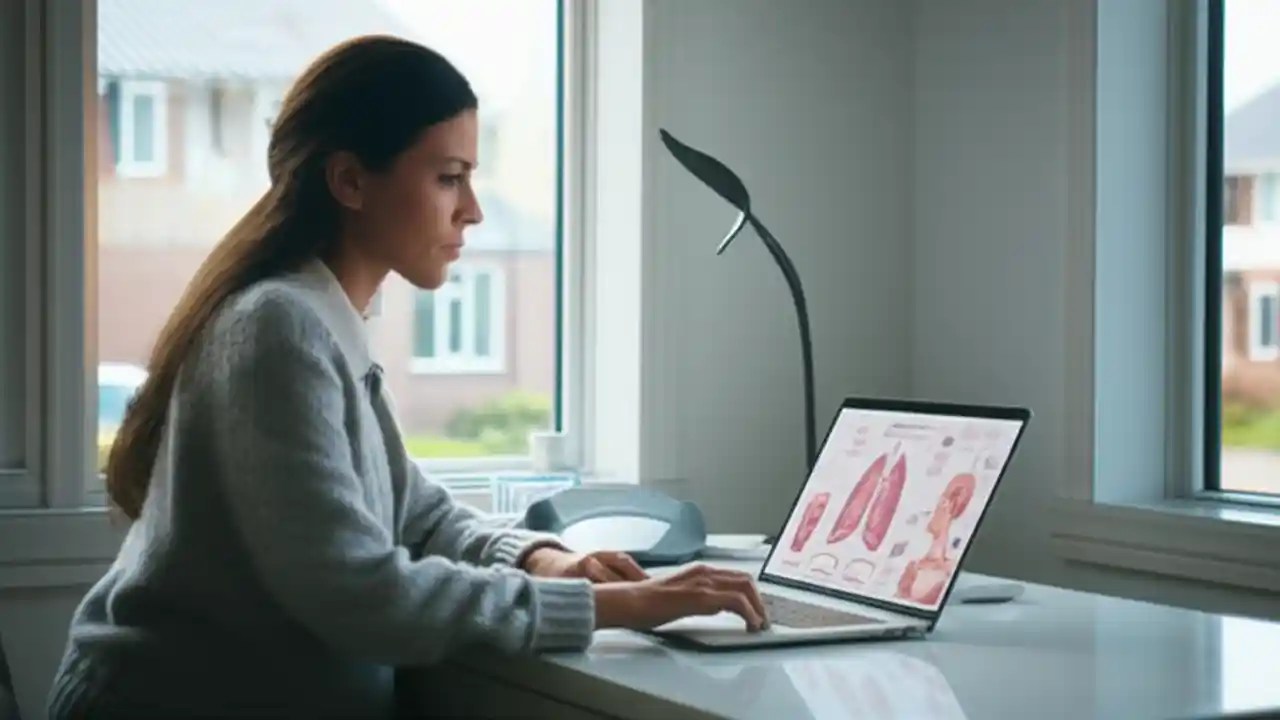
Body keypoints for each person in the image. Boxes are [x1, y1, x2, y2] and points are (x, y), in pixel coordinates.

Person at [47, 36, 767, 719]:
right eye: (449, 177)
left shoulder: (325, 317)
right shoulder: (278, 327)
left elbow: (414, 514)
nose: (473, 210)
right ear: (351, 181)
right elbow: (360, 594)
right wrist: (615, 607)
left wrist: (544, 559)